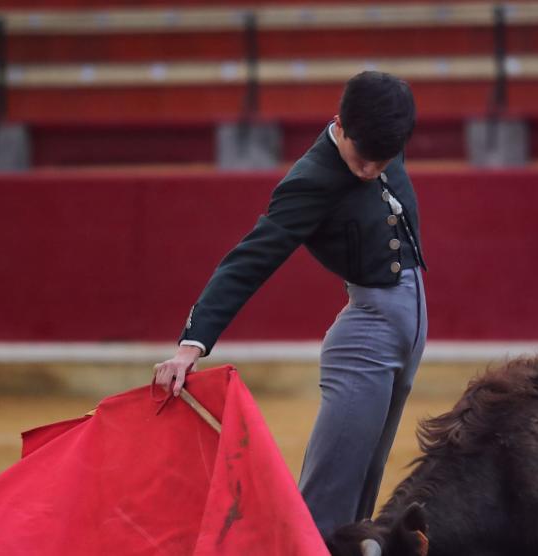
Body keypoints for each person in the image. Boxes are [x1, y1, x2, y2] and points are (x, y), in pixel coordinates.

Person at [153, 70, 428, 535]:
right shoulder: (311, 180)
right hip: (364, 341)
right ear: (339, 125)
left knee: (364, 486)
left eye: (381, 162)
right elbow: (250, 260)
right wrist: (190, 346)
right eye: (363, 158)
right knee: (328, 499)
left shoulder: (382, 133)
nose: (369, 171)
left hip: (407, 335)